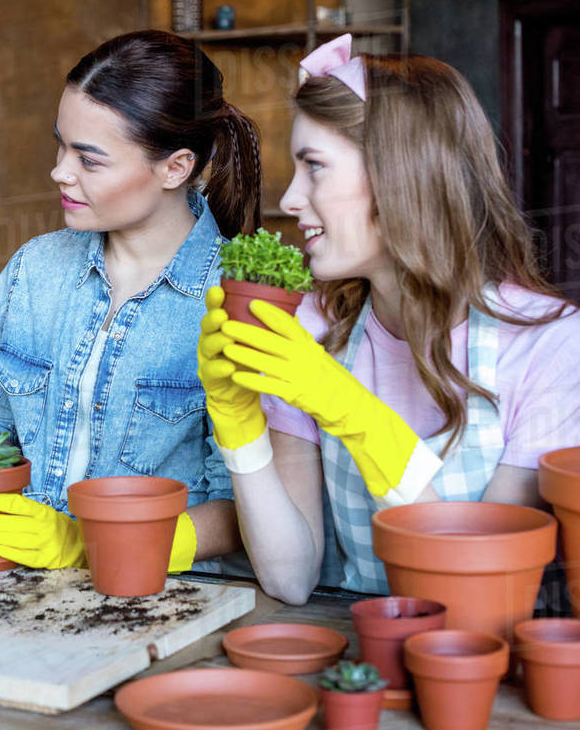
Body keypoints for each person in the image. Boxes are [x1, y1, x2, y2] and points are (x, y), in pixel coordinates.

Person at [199, 35, 580, 605]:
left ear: (400, 176)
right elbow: (291, 578)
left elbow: (476, 588)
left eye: (316, 168)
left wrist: (358, 418)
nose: (292, 198)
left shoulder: (547, 344)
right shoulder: (310, 329)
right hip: (356, 651)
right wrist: (239, 427)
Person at [0, 30, 263, 573]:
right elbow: (12, 438)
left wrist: (87, 543)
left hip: (163, 592)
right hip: (24, 580)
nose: (60, 171)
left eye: (89, 159)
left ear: (174, 168)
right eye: (61, 144)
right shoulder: (32, 271)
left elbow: (245, 508)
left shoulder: (237, 300)